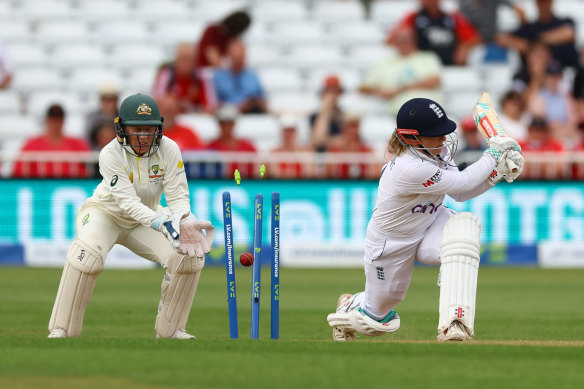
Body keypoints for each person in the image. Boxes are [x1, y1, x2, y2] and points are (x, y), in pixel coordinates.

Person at [326, 98, 524, 342]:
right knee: (377, 320)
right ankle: (347, 306)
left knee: (461, 238)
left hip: (429, 221)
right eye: (435, 134)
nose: (443, 139)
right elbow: (463, 182)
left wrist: (497, 173)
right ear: (411, 138)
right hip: (392, 243)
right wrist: (494, 154)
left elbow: (460, 194)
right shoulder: (408, 167)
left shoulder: (436, 152)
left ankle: (454, 325)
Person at [47, 94, 215, 339]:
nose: (144, 136)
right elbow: (127, 203)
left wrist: (184, 220)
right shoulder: (110, 153)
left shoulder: (169, 149)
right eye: (137, 129)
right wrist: (164, 222)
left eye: (149, 129)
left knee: (189, 257)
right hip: (105, 214)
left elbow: (178, 196)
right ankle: (62, 329)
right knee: (88, 256)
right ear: (122, 129)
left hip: (146, 217)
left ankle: (171, 331)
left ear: (158, 128)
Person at [359, 26, 443, 116]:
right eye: (400, 40)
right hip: (397, 114)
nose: (404, 43)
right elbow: (363, 88)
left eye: (407, 39)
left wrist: (400, 89)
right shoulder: (385, 63)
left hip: (429, 113)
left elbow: (435, 81)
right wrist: (379, 91)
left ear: (414, 41)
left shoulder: (427, 58)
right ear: (394, 42)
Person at [388, 0, 481, 65]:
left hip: (449, 63)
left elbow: (475, 39)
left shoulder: (453, 18)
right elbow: (392, 38)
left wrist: (464, 47)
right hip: (423, 65)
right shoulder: (413, 17)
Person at [13, 104, 91, 178]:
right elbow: (19, 169)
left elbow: (90, 167)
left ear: (63, 120)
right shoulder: (31, 144)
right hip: (38, 187)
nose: (55, 122)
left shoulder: (77, 144)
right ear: (47, 120)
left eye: (58, 119)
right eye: (53, 118)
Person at [496, 0, 579, 70]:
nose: (544, 5)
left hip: (567, 73)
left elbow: (569, 33)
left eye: (546, 1)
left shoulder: (564, 21)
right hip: (536, 76)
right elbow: (500, 38)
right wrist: (528, 47)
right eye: (541, 2)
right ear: (536, 3)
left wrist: (538, 42)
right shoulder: (529, 28)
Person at [152, 43, 214, 114]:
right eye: (184, 60)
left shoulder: (202, 77)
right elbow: (158, 101)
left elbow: (210, 106)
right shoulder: (167, 75)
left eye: (191, 60)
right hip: (171, 119)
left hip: (195, 119)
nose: (188, 64)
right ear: (177, 61)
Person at [459, 0, 526, 62]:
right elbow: (462, 23)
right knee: (460, 56)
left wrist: (522, 24)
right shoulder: (464, 3)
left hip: (495, 36)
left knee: (523, 46)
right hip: (476, 37)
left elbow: (518, 10)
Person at [213, 40, 267, 114]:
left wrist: (253, 103)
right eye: (235, 57)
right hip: (227, 117)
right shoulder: (219, 77)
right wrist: (236, 107)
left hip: (250, 115)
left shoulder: (252, 77)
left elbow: (263, 101)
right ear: (229, 55)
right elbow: (213, 104)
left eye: (240, 57)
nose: (238, 61)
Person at [206, 105, 257, 178]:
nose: (226, 126)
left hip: (245, 184)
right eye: (223, 123)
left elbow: (257, 168)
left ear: (234, 123)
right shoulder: (210, 146)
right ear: (219, 124)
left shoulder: (248, 146)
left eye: (229, 123)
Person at [326, 113, 379, 179]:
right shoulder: (335, 150)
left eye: (355, 126)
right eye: (349, 127)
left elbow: (376, 173)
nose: (352, 131)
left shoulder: (367, 150)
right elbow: (327, 176)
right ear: (343, 128)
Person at [270, 114, 313, 179]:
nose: (288, 134)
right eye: (286, 131)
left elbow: (311, 174)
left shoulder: (306, 152)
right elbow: (262, 172)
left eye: (291, 130)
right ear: (282, 132)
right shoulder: (273, 153)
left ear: (296, 132)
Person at [309, 75, 345, 152]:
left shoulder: (344, 115)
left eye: (335, 92)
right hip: (321, 160)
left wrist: (326, 141)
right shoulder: (314, 116)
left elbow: (347, 141)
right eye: (330, 91)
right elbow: (317, 141)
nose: (333, 96)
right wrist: (325, 111)